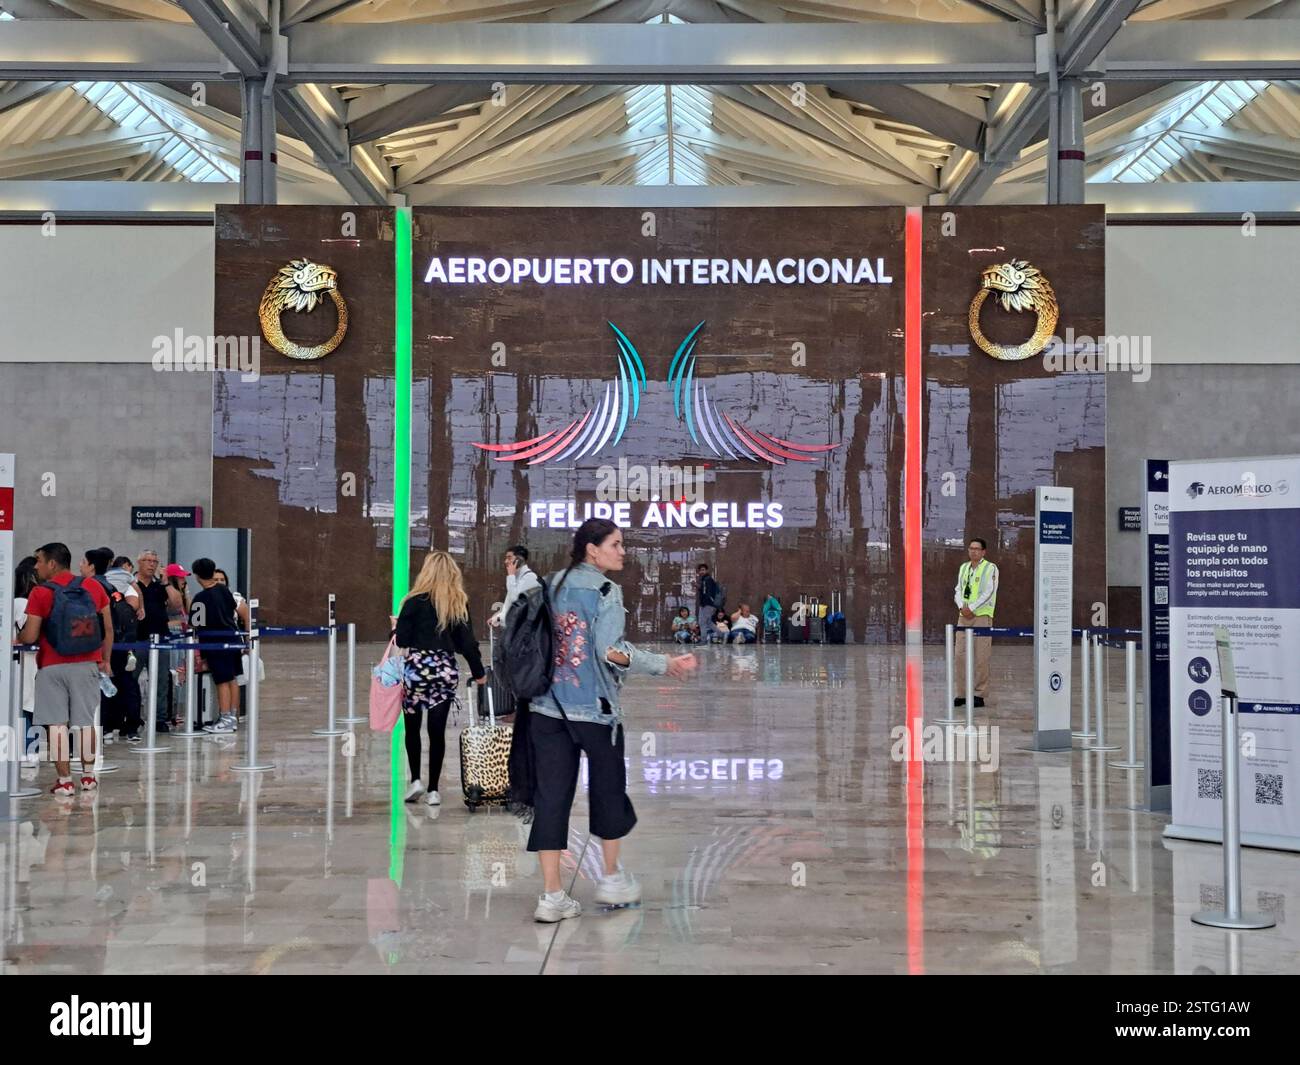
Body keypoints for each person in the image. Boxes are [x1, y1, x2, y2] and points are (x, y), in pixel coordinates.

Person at [528, 519, 696, 923]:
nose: (622, 551)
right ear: (592, 549)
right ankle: (610, 878)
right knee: (608, 791)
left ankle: (551, 896)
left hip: (547, 708)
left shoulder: (549, 583)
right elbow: (610, 652)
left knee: (551, 799)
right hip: (595, 711)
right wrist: (663, 664)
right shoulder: (605, 590)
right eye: (616, 544)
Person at [17, 542, 113, 798]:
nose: (35, 566)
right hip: (87, 663)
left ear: (52, 563)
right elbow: (108, 628)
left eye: (38, 561)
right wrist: (106, 660)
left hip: (52, 665)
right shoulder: (92, 586)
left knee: (57, 724)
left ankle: (65, 781)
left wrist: (17, 637)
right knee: (85, 723)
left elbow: (30, 636)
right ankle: (89, 777)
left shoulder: (40, 593)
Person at [394, 551, 486, 807]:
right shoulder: (457, 601)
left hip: (417, 669)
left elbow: (402, 640)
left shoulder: (412, 602)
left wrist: (397, 626)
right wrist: (479, 673)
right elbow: (466, 643)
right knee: (437, 731)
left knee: (412, 728)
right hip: (444, 669)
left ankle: (415, 781)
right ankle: (434, 789)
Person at [82, 547, 142, 743]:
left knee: (101, 685)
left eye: (83, 562)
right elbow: (131, 606)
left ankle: (104, 726)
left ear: (91, 565)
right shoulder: (113, 587)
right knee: (125, 682)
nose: (80, 566)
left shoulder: (87, 586)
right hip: (120, 642)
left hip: (95, 644)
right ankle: (128, 725)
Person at [189, 558, 242, 734]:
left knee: (221, 681)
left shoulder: (199, 598)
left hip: (215, 643)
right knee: (232, 678)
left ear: (196, 576)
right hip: (233, 639)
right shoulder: (224, 590)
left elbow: (195, 625)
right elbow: (233, 609)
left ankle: (225, 718)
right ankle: (233, 716)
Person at [952, 537, 999, 708]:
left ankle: (979, 693)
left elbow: (988, 591)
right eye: (971, 548)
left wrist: (971, 608)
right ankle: (962, 693)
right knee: (959, 654)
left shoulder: (990, 568)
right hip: (963, 615)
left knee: (981, 656)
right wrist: (961, 607)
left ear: (983, 552)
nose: (973, 551)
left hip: (981, 616)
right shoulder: (964, 567)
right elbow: (958, 589)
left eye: (977, 549)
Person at [133, 550, 173, 733]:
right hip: (137, 639)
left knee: (161, 680)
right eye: (148, 561)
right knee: (131, 680)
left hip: (160, 638)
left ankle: (160, 718)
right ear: (139, 562)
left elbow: (176, 604)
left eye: (155, 561)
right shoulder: (132, 584)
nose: (151, 564)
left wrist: (166, 583)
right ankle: (131, 717)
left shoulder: (160, 586)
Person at [13, 556, 40, 772]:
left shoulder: (14, 602)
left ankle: (28, 749)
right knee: (28, 707)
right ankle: (30, 750)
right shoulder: (23, 604)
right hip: (27, 662)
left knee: (24, 705)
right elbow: (30, 634)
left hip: (23, 662)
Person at [489, 545, 540, 629]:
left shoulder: (530, 577)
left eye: (509, 558)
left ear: (519, 560)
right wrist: (497, 618)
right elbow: (509, 607)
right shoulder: (517, 578)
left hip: (521, 632)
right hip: (513, 629)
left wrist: (511, 576)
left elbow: (515, 601)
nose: (506, 561)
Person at [695, 563, 723, 639]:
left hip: (707, 604)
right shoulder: (704, 579)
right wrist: (698, 587)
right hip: (705, 604)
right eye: (700, 570)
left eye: (703, 570)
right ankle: (721, 635)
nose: (701, 572)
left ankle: (703, 641)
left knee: (702, 622)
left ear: (706, 570)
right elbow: (705, 591)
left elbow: (709, 593)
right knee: (708, 622)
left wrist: (710, 603)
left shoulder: (708, 579)